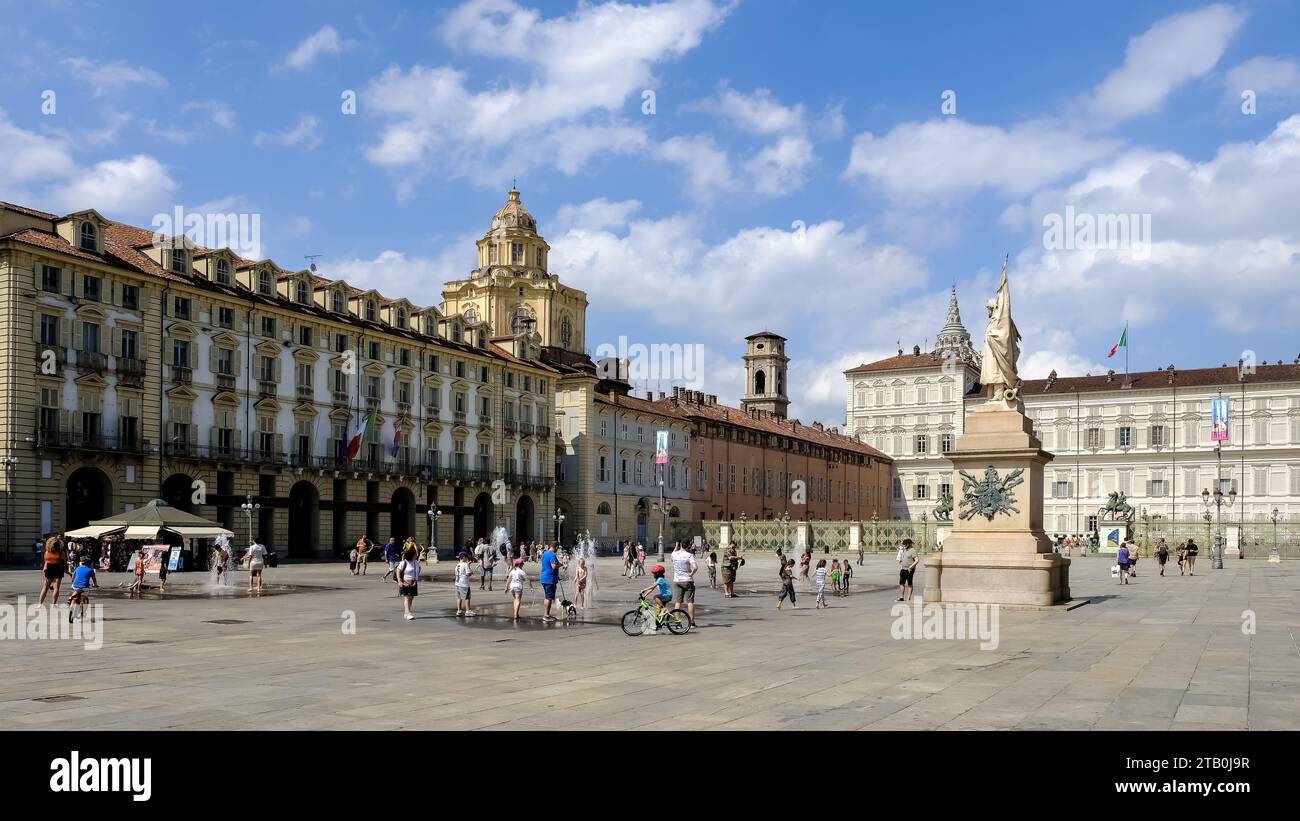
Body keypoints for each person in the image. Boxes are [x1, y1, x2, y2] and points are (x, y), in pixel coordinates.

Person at [670, 541, 698, 627]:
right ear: (689, 546)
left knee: (678, 602)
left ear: (680, 545)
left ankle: (678, 623)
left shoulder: (674, 554)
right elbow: (696, 567)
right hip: (687, 580)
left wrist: (676, 546)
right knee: (690, 602)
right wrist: (691, 574)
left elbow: (673, 554)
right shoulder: (689, 555)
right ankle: (691, 622)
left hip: (677, 580)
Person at [38, 533, 70, 606]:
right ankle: (54, 604)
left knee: (45, 587)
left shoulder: (47, 552)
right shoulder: (61, 552)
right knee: (56, 588)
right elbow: (64, 561)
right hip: (58, 568)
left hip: (49, 568)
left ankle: (40, 604)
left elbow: (46, 560)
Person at [66, 556, 99, 623]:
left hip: (75, 585)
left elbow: (73, 577)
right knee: (83, 596)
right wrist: (95, 585)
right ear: (88, 563)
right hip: (84, 586)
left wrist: (73, 581)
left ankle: (71, 597)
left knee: (75, 589)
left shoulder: (77, 568)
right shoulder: (90, 570)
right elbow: (94, 579)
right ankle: (81, 604)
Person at [640, 565, 673, 629]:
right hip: (664, 596)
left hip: (667, 595)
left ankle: (664, 609)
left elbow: (652, 587)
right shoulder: (657, 580)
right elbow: (652, 589)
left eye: (654, 573)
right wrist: (644, 595)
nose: (653, 574)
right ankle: (659, 625)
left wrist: (644, 590)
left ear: (658, 573)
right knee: (657, 611)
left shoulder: (661, 579)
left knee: (655, 597)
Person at [539, 542, 560, 623]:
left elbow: (546, 565)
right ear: (556, 547)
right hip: (549, 579)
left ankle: (547, 614)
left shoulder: (545, 553)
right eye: (558, 548)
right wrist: (560, 565)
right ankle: (546, 615)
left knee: (547, 597)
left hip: (544, 578)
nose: (557, 550)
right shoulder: (552, 555)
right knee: (549, 598)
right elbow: (553, 566)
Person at [397, 546, 420, 620]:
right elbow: (398, 571)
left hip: (414, 582)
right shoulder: (403, 562)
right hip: (405, 582)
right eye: (415, 554)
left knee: (411, 598)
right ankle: (408, 613)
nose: (416, 555)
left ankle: (406, 613)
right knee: (407, 598)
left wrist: (416, 579)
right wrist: (400, 581)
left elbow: (418, 569)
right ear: (411, 555)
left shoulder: (416, 562)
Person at [454, 551, 476, 616]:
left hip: (457, 583)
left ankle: (459, 611)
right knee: (467, 597)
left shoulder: (457, 565)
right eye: (466, 557)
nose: (467, 559)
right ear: (463, 557)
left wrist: (468, 564)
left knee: (459, 597)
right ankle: (468, 611)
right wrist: (472, 572)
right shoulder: (465, 564)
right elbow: (468, 574)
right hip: (464, 584)